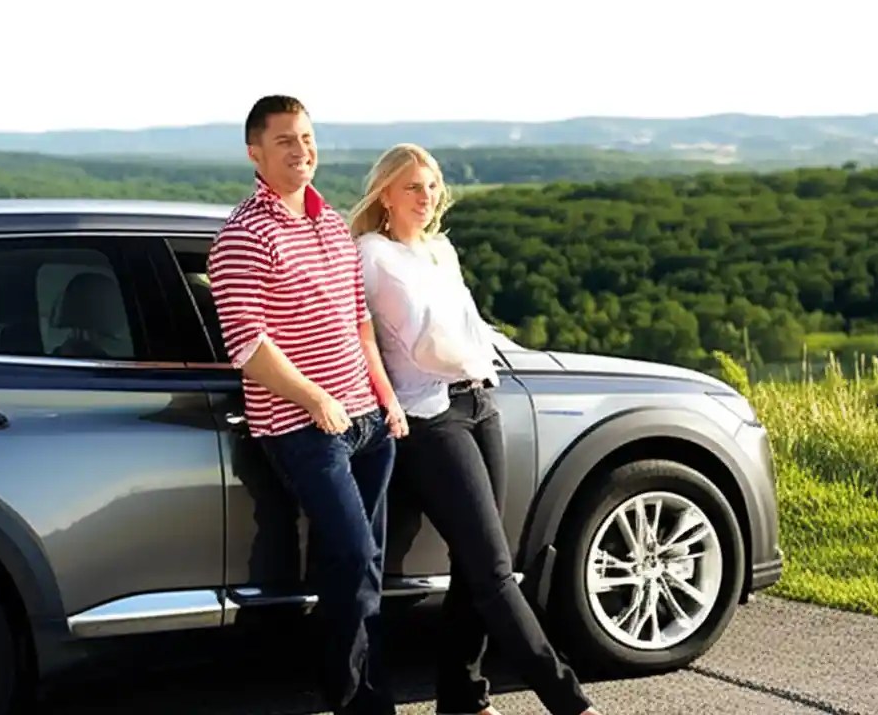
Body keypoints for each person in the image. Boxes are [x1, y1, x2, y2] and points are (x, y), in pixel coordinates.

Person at [350, 144, 601, 715]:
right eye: (412, 186)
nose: (425, 196)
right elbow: (381, 339)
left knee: (475, 565)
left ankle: (463, 695)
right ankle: (569, 701)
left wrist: (497, 356)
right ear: (384, 193)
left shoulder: (441, 251)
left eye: (432, 185)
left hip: (482, 401)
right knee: (493, 572)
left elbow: (472, 327)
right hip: (428, 416)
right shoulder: (370, 254)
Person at [207, 95, 409, 715]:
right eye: (287, 140)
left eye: (308, 138)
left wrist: (386, 398)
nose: (302, 150)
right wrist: (315, 397)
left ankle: (356, 685)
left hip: (366, 422)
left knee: (362, 562)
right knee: (350, 553)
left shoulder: (331, 225)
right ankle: (357, 700)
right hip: (302, 425)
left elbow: (359, 323)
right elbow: (249, 346)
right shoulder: (244, 235)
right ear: (255, 153)